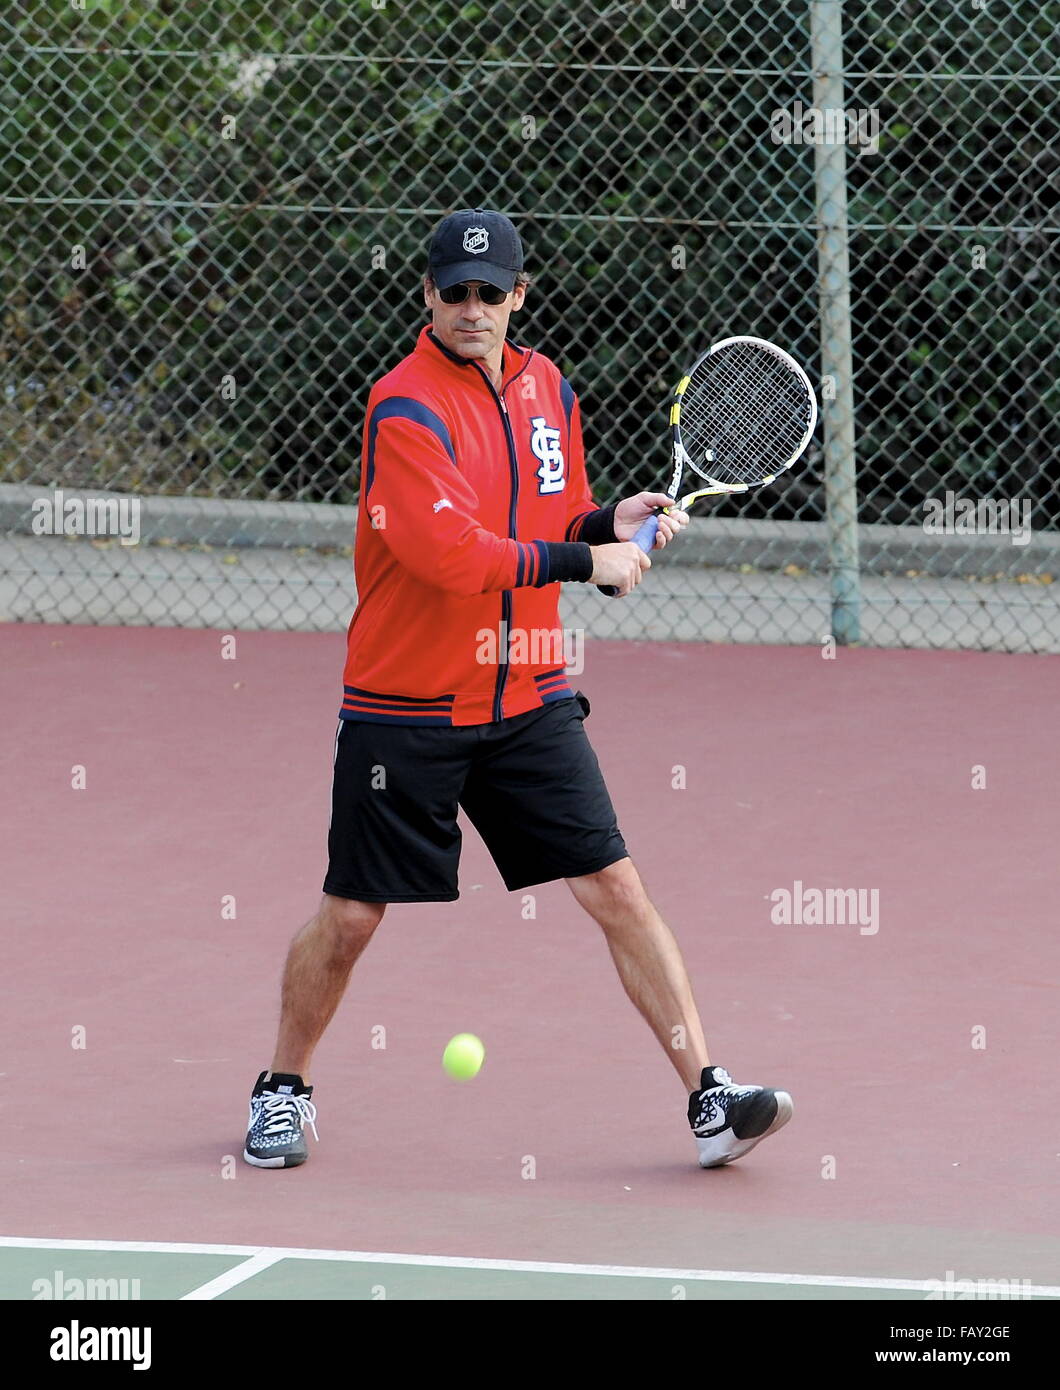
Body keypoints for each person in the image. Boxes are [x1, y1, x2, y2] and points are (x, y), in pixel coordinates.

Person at [243, 208, 792, 1170]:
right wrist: (590, 561)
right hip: (405, 706)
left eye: (489, 292)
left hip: (530, 696)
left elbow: (555, 510)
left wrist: (605, 518)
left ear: (518, 296)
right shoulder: (401, 408)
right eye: (453, 291)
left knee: (616, 885)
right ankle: (281, 1090)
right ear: (427, 296)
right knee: (352, 914)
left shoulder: (550, 391)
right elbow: (451, 555)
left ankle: (710, 1097)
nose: (471, 307)